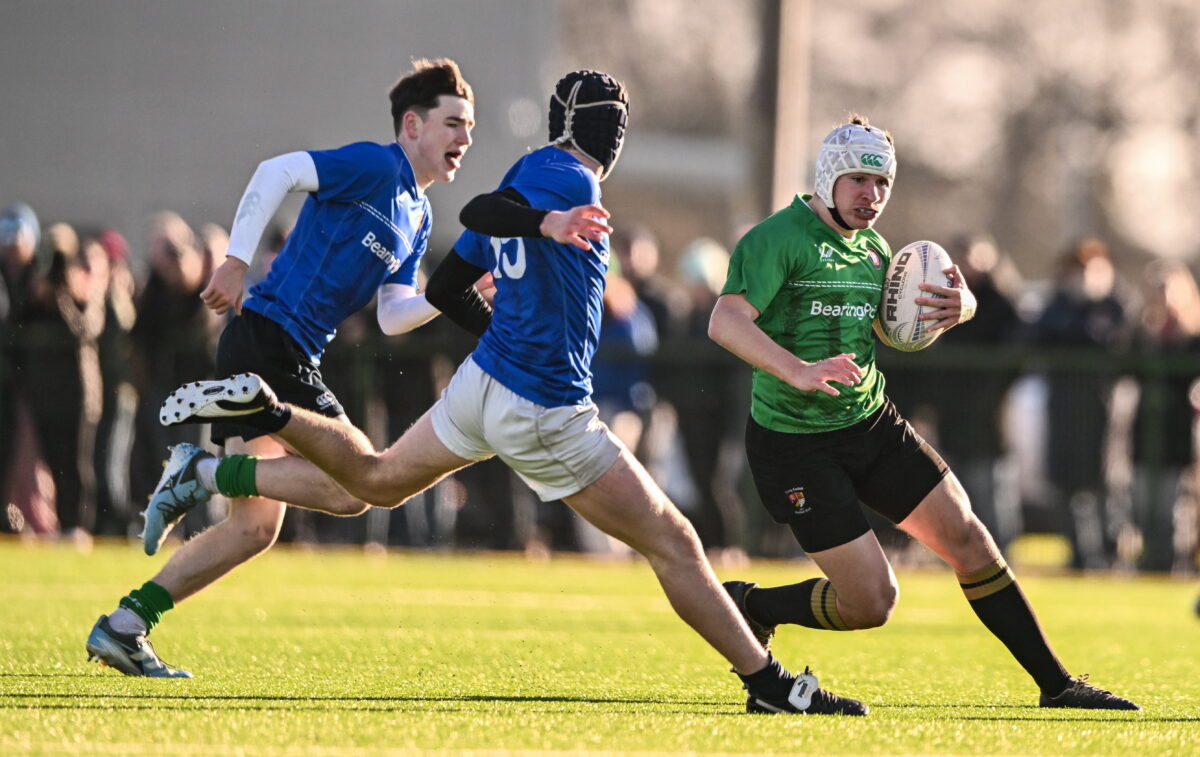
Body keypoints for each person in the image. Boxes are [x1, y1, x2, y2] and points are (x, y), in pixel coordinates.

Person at [139, 71, 867, 716]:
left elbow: (448, 285)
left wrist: (503, 325)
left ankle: (254, 424)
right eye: (609, 113)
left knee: (377, 480)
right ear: (580, 124)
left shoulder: (533, 172)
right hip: (546, 405)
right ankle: (767, 680)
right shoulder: (565, 178)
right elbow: (485, 211)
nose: (616, 126)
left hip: (488, 381)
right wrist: (546, 224)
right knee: (675, 543)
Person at [706, 115, 1138, 710]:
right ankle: (753, 605)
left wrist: (963, 305)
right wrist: (797, 370)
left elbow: (897, 326)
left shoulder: (878, 250)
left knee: (968, 536)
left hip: (871, 423)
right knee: (871, 604)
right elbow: (724, 321)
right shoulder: (776, 238)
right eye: (860, 180)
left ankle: (1057, 684)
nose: (873, 196)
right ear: (829, 175)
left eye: (883, 183)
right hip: (795, 443)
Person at [86, 59, 478, 678]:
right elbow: (280, 171)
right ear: (411, 125)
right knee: (358, 484)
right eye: (453, 122)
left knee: (255, 530)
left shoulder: (419, 215)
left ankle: (125, 624)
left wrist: (450, 292)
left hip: (279, 355)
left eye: (470, 127)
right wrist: (236, 260)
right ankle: (206, 472)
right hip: (269, 341)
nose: (465, 138)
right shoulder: (378, 166)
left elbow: (392, 315)